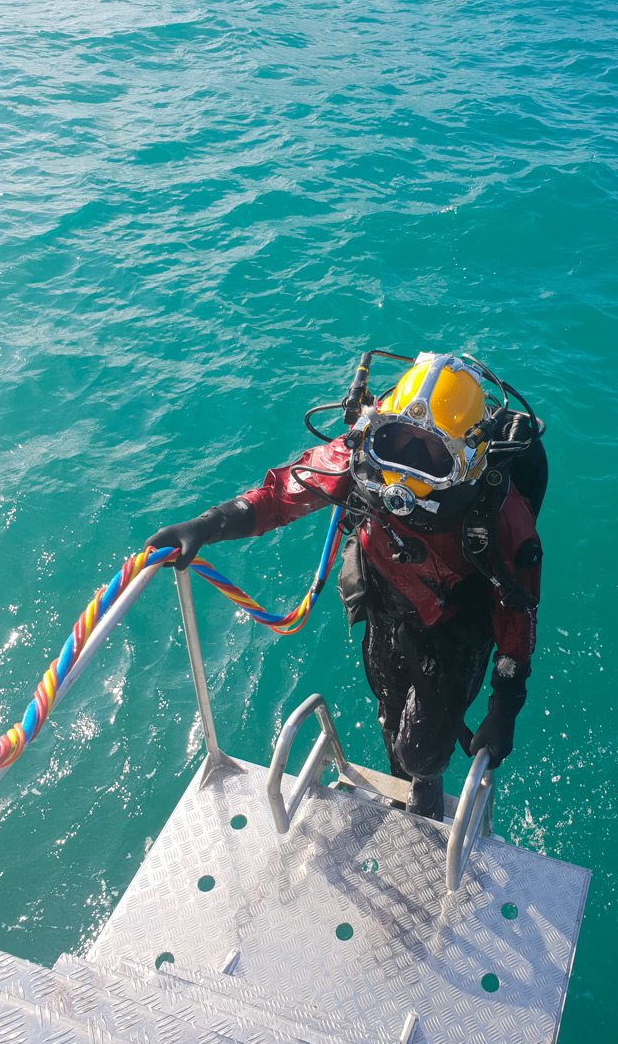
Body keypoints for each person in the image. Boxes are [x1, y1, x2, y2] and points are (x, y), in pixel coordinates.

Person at [146, 351, 546, 821]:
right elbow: (281, 495)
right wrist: (208, 525)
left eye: (431, 455)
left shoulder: (499, 519)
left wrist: (505, 706)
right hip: (386, 601)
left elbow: (516, 615)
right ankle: (408, 793)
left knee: (423, 752)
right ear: (378, 428)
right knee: (389, 707)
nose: (403, 471)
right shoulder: (360, 459)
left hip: (453, 625)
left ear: (470, 461)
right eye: (397, 442)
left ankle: (424, 790)